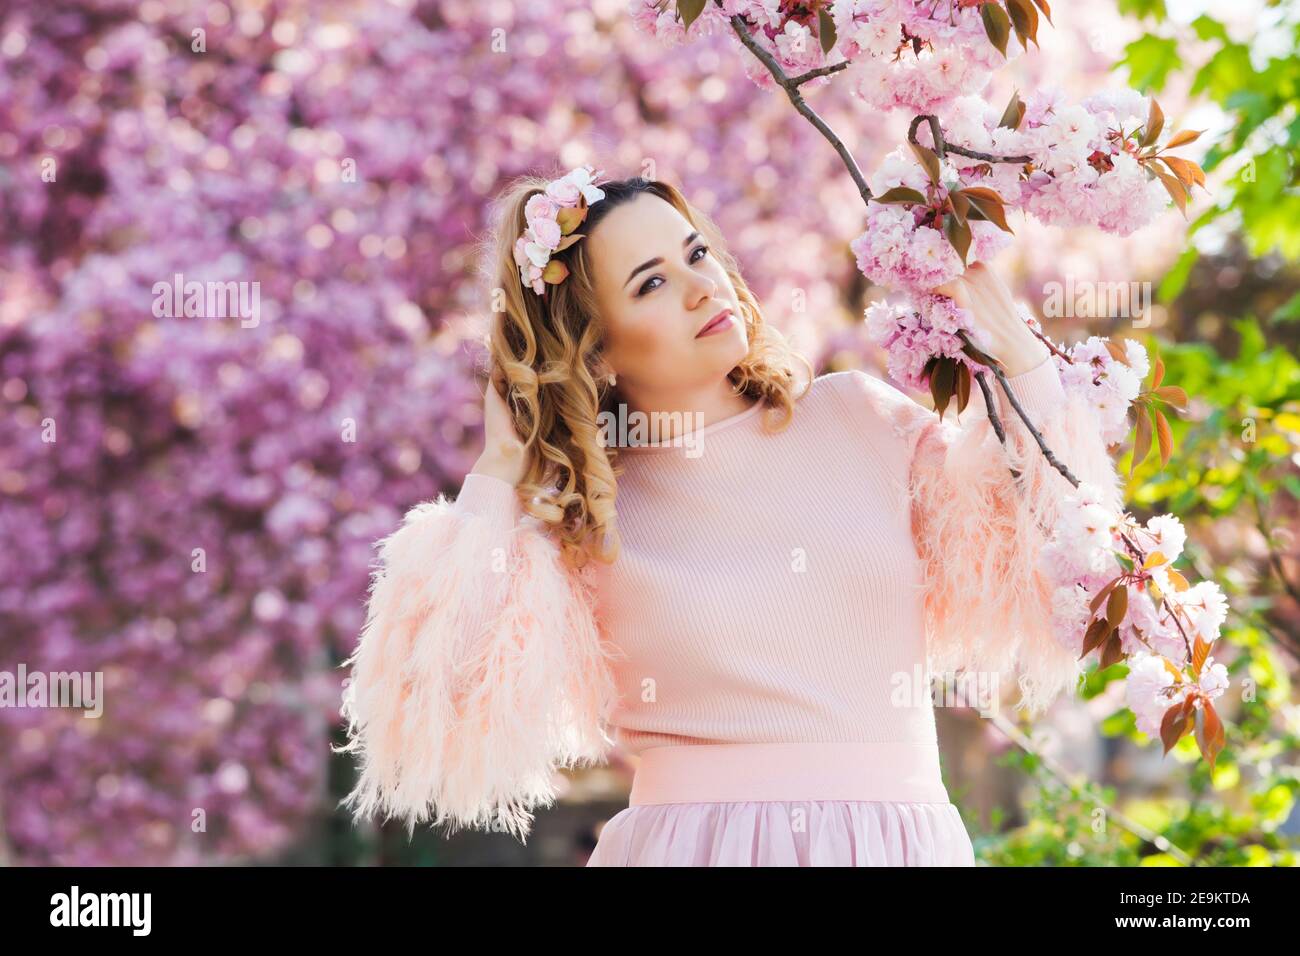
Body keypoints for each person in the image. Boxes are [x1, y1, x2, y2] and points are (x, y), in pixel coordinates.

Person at [334, 164, 1124, 866]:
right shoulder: (583, 514)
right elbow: (434, 709)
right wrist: (499, 470)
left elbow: (1051, 546)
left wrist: (1014, 345)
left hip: (903, 843)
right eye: (650, 283)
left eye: (696, 254)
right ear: (595, 347)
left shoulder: (860, 418)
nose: (702, 287)